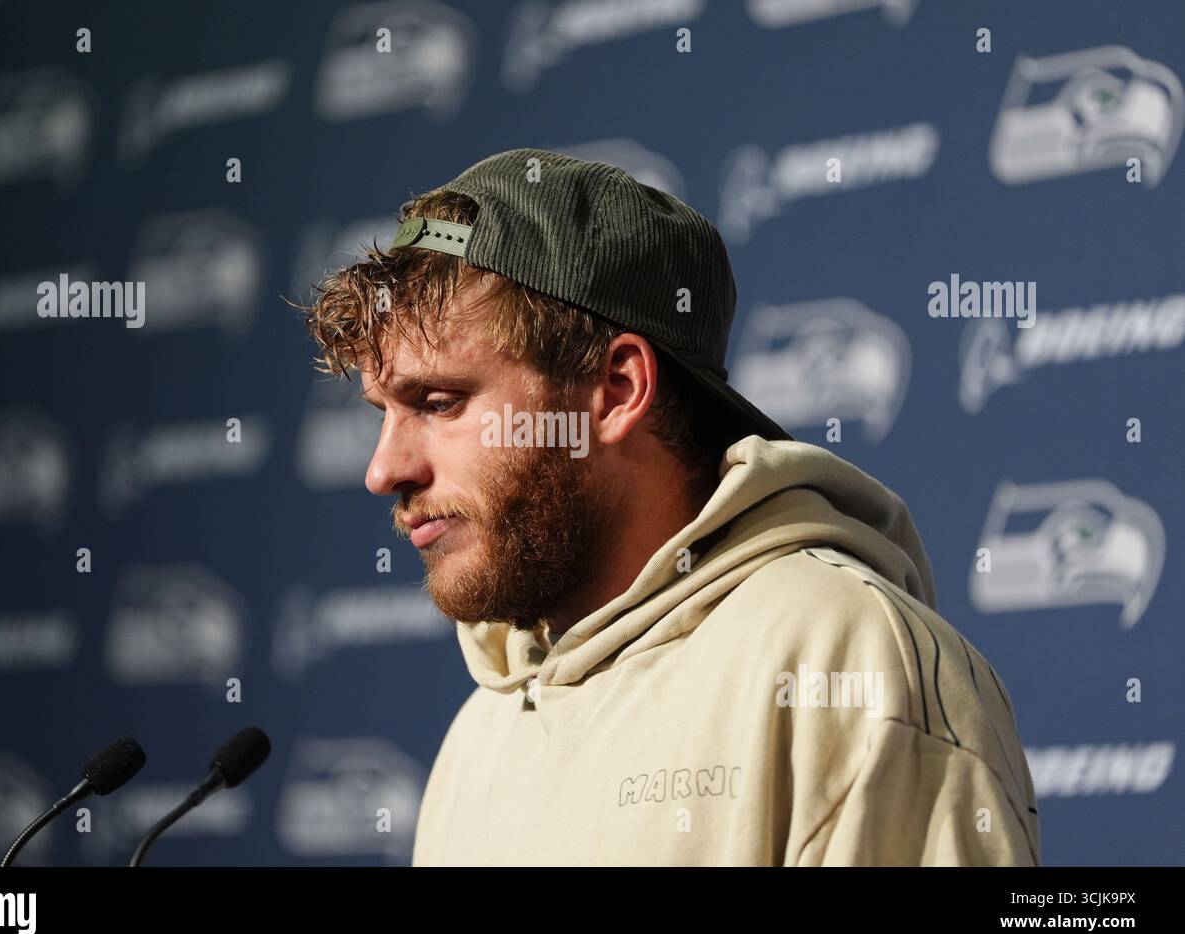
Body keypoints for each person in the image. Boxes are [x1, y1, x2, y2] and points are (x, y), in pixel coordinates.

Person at [303, 148, 1041, 866]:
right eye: (382, 412)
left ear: (618, 390)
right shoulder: (479, 732)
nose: (383, 469)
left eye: (439, 402)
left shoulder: (843, 660)